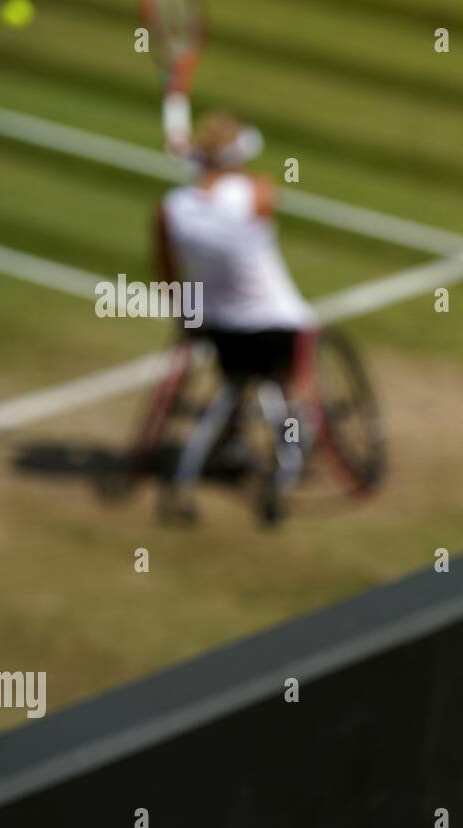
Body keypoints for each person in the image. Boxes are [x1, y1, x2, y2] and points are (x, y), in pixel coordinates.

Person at [156, 110, 315, 526]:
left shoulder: (171, 210)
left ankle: (228, 442)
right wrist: (204, 159)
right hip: (277, 327)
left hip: (220, 330)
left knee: (234, 384)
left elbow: (169, 276)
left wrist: (195, 159)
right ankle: (297, 445)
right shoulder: (257, 193)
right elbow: (255, 198)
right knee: (291, 384)